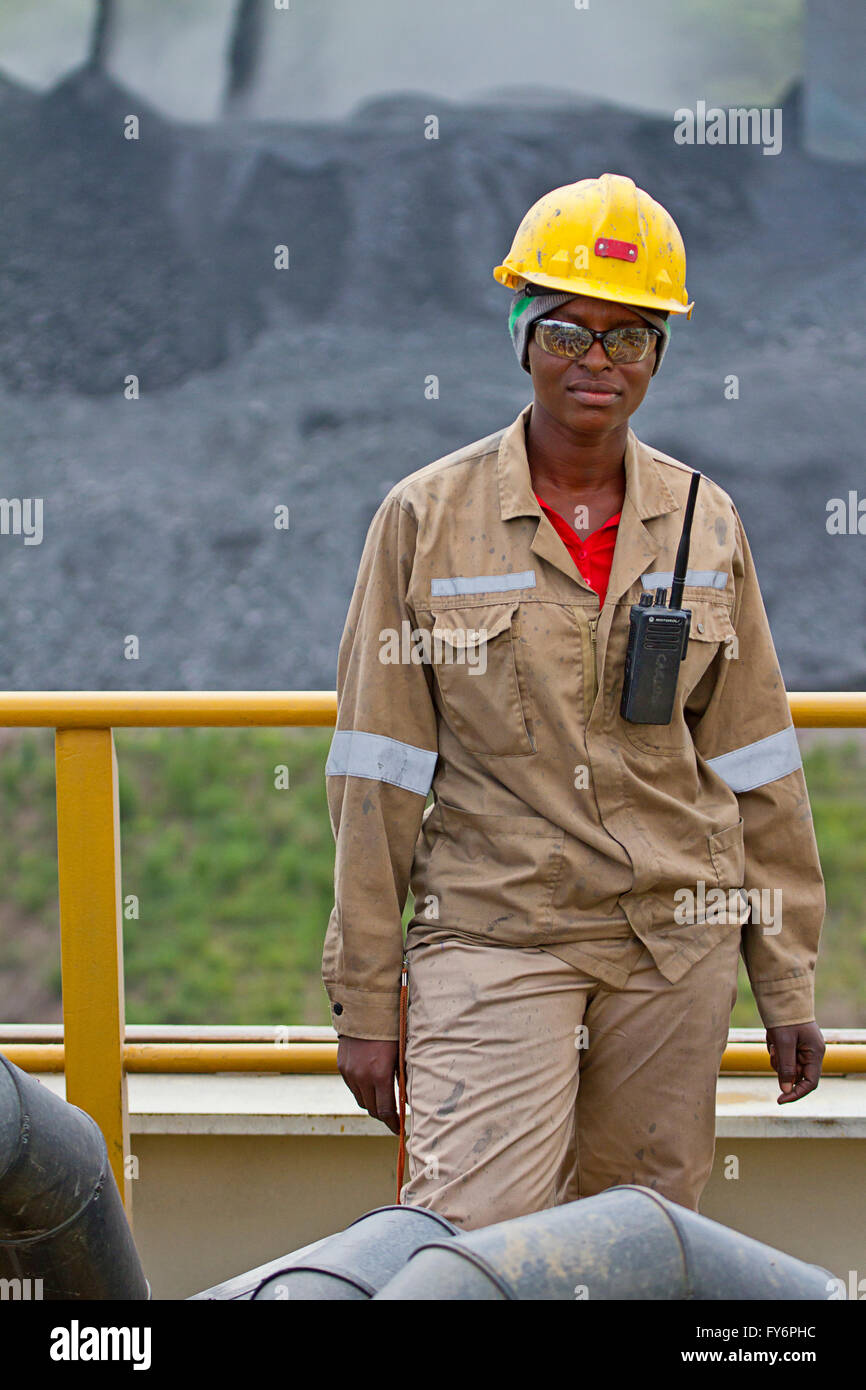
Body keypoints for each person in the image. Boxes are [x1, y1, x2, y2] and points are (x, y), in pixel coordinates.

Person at [322, 173, 826, 1227]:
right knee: (466, 1239)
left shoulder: (706, 521)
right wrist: (366, 997)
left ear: (657, 355)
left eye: (627, 337)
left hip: (670, 943)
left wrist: (783, 981)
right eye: (564, 332)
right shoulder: (425, 517)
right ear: (519, 337)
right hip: (498, 932)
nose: (595, 363)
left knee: (638, 1245)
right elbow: (378, 769)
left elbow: (753, 764)